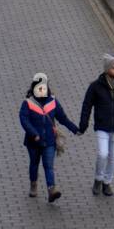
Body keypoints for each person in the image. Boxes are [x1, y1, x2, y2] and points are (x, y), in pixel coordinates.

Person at [19, 72, 81, 203]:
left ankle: (51, 189)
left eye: (43, 87)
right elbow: (24, 120)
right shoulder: (28, 103)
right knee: (34, 164)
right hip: (33, 142)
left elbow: (62, 118)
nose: (42, 90)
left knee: (48, 165)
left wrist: (75, 129)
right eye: (39, 87)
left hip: (49, 141)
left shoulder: (52, 101)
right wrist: (34, 133)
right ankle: (33, 184)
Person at [79, 54, 114, 197]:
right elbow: (87, 105)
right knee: (103, 154)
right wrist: (83, 124)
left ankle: (107, 182)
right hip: (102, 126)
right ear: (107, 69)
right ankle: (98, 179)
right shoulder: (95, 86)